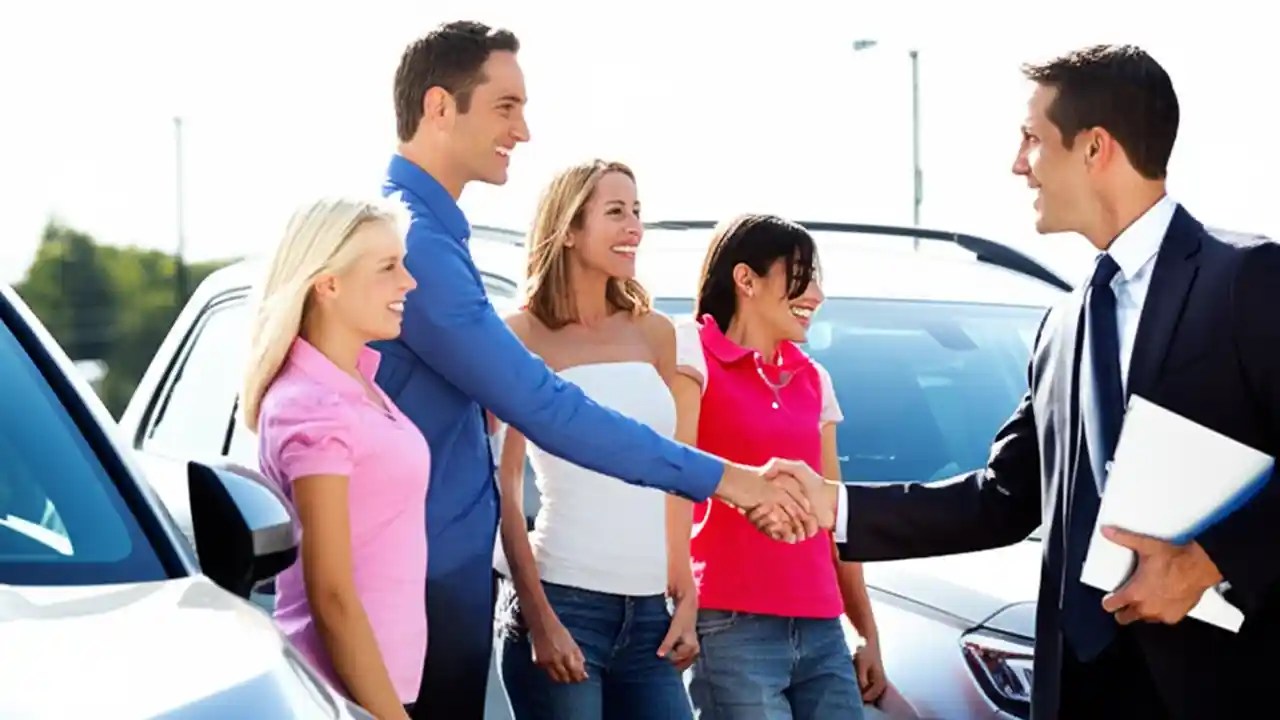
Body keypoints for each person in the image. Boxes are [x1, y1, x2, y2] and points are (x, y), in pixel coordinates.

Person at [762, 44, 1280, 719]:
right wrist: (836, 506)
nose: (1017, 163)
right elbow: (1006, 496)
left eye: (1032, 138)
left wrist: (1207, 561)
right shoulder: (1061, 325)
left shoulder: (1247, 278)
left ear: (1095, 148)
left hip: (1228, 685)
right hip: (1075, 688)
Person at [373, 21, 817, 718]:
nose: (521, 131)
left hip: (455, 586)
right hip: (423, 586)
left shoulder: (426, 236)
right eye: (505, 106)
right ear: (438, 107)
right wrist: (730, 480)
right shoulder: (416, 246)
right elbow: (544, 407)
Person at [490, 159, 697, 719]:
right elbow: (505, 486)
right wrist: (538, 618)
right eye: (615, 212)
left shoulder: (655, 332)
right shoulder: (518, 336)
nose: (634, 227)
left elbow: (677, 470)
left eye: (637, 212)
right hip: (564, 603)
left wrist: (686, 588)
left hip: (652, 616)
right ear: (569, 228)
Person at [671, 214, 885, 719]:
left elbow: (838, 518)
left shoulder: (815, 380)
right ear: (746, 280)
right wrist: (680, 599)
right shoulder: (691, 353)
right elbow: (673, 481)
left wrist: (866, 631)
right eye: (802, 275)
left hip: (822, 630)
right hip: (731, 627)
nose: (817, 294)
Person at [244, 197, 428, 719]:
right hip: (343, 698)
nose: (408, 282)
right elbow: (331, 595)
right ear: (328, 284)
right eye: (388, 268)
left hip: (374, 690)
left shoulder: (355, 383)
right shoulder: (312, 406)